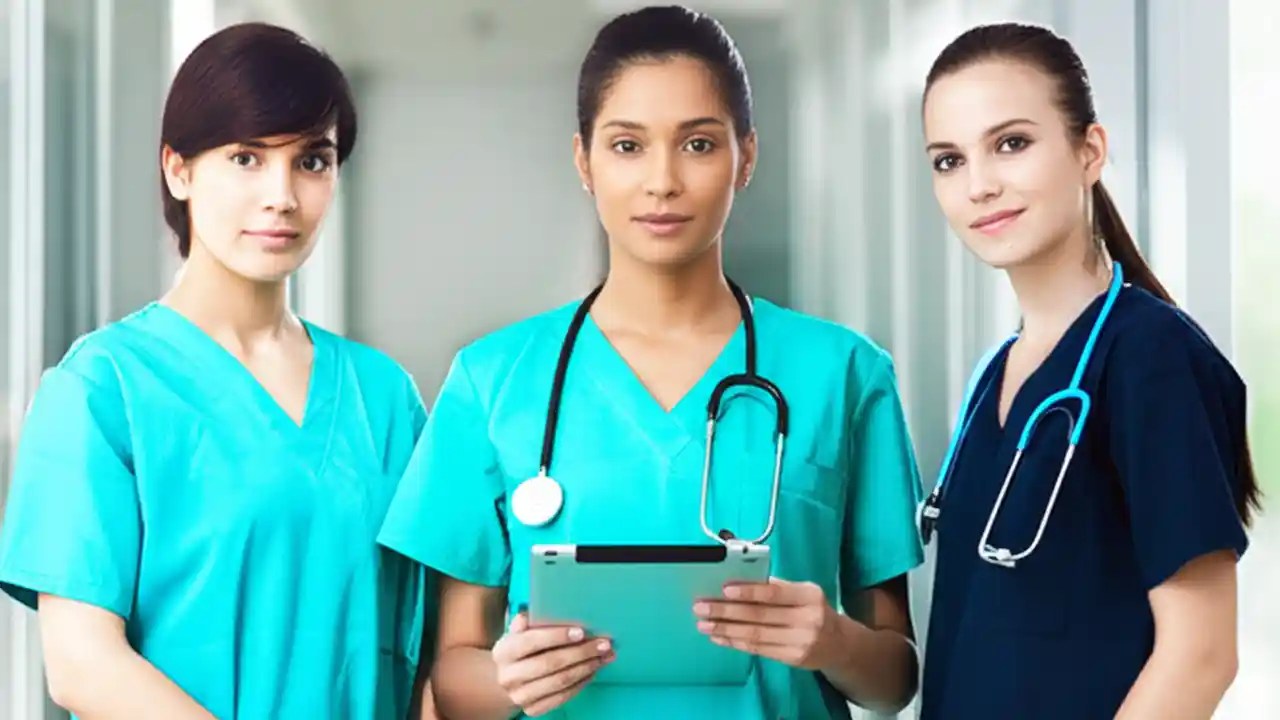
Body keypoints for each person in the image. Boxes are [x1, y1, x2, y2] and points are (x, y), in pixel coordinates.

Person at [377, 6, 923, 719]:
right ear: (584, 161)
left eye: (698, 144)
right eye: (627, 146)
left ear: (746, 157)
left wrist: (834, 642)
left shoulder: (845, 374)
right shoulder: (491, 381)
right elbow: (451, 677)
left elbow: (896, 675)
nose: (662, 181)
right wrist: (509, 679)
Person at [0, 22, 430, 719]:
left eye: (312, 161)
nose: (282, 196)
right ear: (179, 169)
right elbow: (82, 664)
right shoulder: (103, 389)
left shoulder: (382, 398)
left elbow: (427, 648)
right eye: (246, 158)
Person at [917, 22, 1260, 720]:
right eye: (949, 160)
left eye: (1011, 143)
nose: (979, 185)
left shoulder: (1149, 357)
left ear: (1090, 150)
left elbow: (1201, 655)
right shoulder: (994, 378)